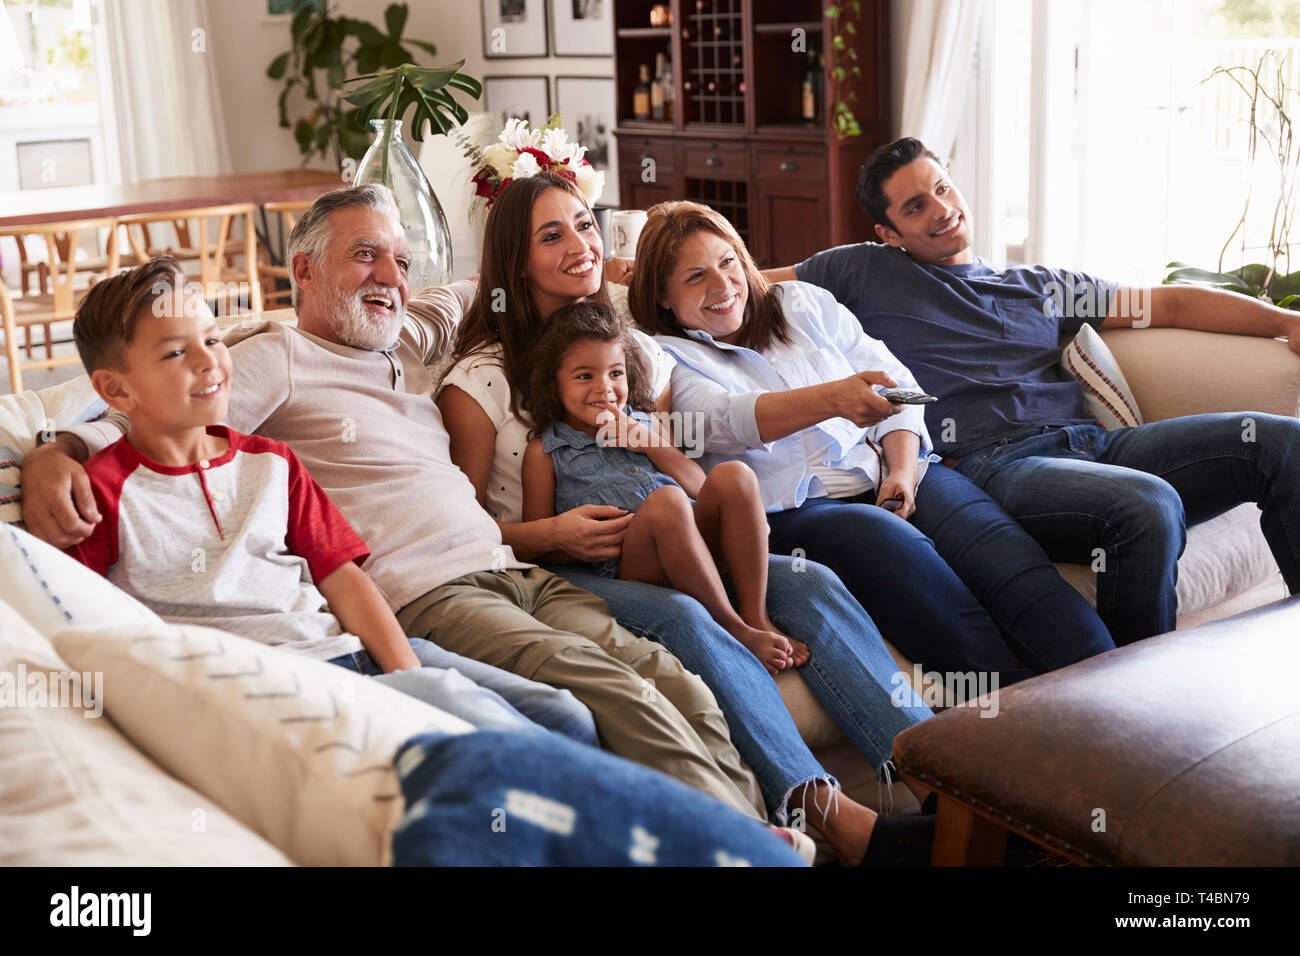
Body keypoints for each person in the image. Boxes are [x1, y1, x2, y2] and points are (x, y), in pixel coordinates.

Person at [20, 185, 772, 830]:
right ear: (304, 271)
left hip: (511, 571)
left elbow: (489, 279)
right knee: (605, 683)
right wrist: (60, 450)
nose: (389, 275)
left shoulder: (407, 338)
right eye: (365, 255)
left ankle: (771, 837)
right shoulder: (274, 357)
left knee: (663, 673)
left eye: (402, 261)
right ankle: (735, 848)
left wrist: (611, 264)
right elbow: (163, 410)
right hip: (426, 594)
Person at [437, 170, 936, 866]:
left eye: (584, 223)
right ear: (513, 263)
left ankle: (942, 786)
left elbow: (670, 474)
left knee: (812, 582)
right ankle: (833, 817)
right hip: (568, 567)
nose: (579, 244)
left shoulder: (633, 348)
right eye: (551, 235)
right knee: (686, 618)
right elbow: (454, 528)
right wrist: (548, 534)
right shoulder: (482, 378)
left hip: (672, 535)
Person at [773, 136, 1300, 643]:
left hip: (1095, 446)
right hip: (995, 466)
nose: (941, 208)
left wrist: (1284, 321)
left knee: (1281, 442)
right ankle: (1134, 712)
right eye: (915, 206)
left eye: (942, 187)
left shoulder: (1040, 286)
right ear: (889, 233)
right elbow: (737, 285)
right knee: (1147, 505)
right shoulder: (862, 270)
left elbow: (1169, 305)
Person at [61, 255, 587, 741]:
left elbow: (345, 580)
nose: (209, 362)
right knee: (503, 741)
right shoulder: (100, 493)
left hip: (354, 650)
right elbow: (78, 625)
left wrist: (406, 676)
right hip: (282, 687)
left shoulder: (272, 461)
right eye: (176, 352)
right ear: (116, 390)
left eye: (213, 340)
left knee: (563, 714)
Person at [629, 200, 1114, 681]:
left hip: (893, 468)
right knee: (895, 549)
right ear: (664, 296)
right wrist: (834, 399)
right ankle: (1013, 715)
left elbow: (894, 381)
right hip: (798, 511)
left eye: (728, 262)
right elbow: (723, 420)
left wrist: (902, 470)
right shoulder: (668, 357)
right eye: (695, 277)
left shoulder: (800, 304)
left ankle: (1107, 689)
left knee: (1006, 557)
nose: (721, 285)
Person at [520, 301, 807, 675]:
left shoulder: (647, 423)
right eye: (584, 376)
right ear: (552, 382)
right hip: (632, 565)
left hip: (695, 544)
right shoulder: (545, 451)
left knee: (734, 475)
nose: (604, 388)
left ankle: (756, 616)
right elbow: (541, 545)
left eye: (615, 373)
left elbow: (701, 490)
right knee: (667, 500)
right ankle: (732, 627)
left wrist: (651, 443)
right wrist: (574, 538)